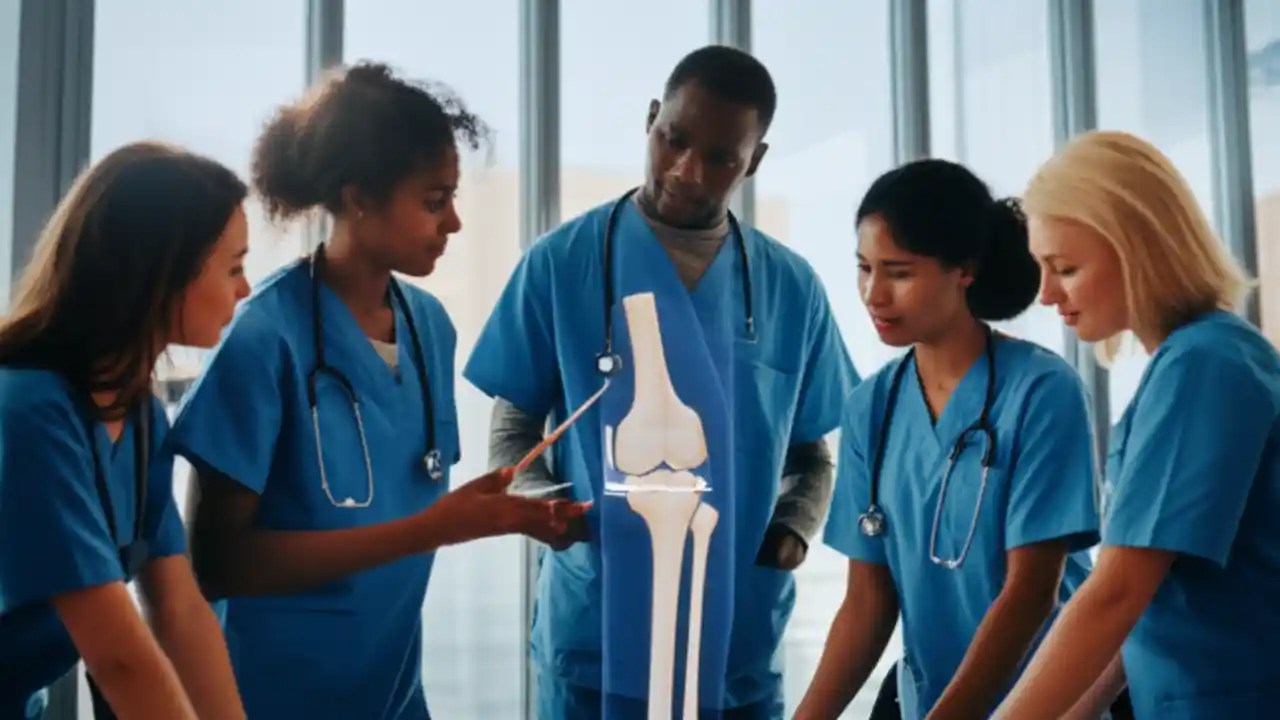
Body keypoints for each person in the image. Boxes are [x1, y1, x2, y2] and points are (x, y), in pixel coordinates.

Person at [167, 62, 587, 719]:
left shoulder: (431, 330)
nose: (453, 223)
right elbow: (218, 563)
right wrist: (431, 529)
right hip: (263, 694)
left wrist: (511, 516)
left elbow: (408, 500)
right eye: (433, 200)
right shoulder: (263, 338)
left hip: (389, 693)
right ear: (358, 196)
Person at [466, 45, 857, 718]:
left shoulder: (791, 288)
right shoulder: (561, 263)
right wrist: (541, 504)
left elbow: (810, 452)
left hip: (736, 634)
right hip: (594, 621)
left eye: (719, 158)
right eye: (672, 139)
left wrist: (794, 526)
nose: (686, 171)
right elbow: (513, 428)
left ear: (754, 161)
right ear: (651, 119)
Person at [795, 159, 1102, 720]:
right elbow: (868, 601)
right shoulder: (872, 408)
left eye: (899, 272)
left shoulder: (1041, 391)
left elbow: (1032, 591)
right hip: (929, 701)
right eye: (864, 268)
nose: (873, 294)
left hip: (1045, 704)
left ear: (965, 269)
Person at [993, 131, 1280, 718]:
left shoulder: (1206, 367)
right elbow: (1142, 608)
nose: (1046, 294)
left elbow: (1117, 593)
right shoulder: (1191, 364)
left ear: (1138, 249)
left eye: (1065, 267)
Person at [0, 141, 248, 719]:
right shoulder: (30, 410)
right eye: (233, 267)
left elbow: (179, 610)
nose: (245, 289)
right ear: (161, 274)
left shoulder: (137, 417)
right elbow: (118, 658)